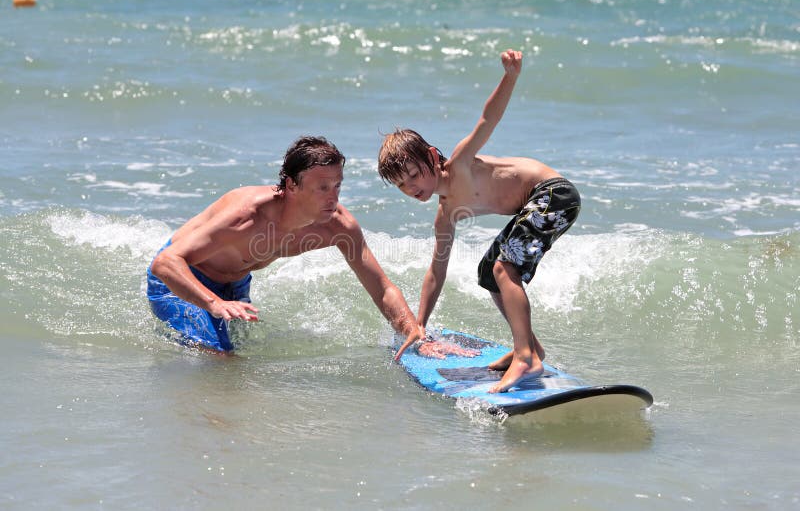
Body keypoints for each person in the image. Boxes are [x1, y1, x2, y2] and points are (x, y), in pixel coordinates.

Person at [378, 50, 581, 392]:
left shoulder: (459, 166)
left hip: (553, 194)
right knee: (490, 274)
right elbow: (436, 270)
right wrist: (420, 325)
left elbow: (488, 119)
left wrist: (511, 76)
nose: (411, 187)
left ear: (431, 157)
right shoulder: (445, 214)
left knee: (505, 268)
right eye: (402, 185)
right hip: (532, 206)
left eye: (413, 175)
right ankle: (528, 347)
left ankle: (527, 359)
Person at [147, 136, 457, 357]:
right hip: (182, 280)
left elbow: (382, 287)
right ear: (292, 185)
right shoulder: (246, 217)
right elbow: (165, 262)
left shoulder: (336, 225)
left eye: (337, 186)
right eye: (322, 188)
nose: (333, 197)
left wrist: (414, 333)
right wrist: (213, 303)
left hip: (235, 286)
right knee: (221, 359)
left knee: (238, 353)